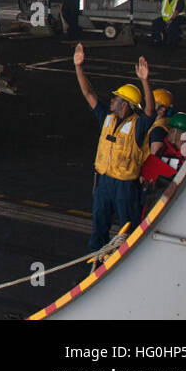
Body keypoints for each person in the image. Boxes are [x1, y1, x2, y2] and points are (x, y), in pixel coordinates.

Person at [73, 43, 152, 257]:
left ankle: (131, 261)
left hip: (125, 186)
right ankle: (98, 258)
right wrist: (79, 66)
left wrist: (145, 81)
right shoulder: (107, 118)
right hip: (104, 182)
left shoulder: (138, 126)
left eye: (116, 99)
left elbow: (150, 112)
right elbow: (88, 93)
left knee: (130, 229)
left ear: (126, 104)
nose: (112, 100)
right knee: (99, 225)